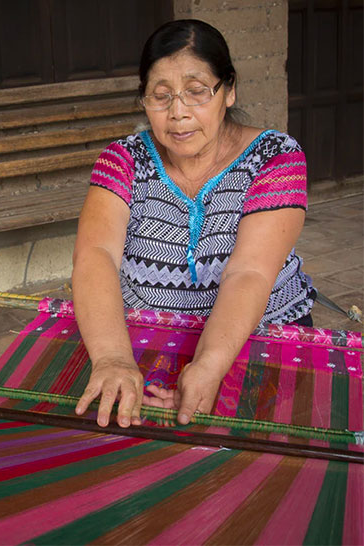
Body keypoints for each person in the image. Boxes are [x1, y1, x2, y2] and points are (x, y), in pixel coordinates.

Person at [72, 19, 312, 429]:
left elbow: (249, 271)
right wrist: (113, 358)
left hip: (258, 341)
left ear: (229, 90)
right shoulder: (124, 160)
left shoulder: (275, 158)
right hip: (142, 344)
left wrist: (210, 363)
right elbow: (96, 254)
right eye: (160, 96)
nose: (178, 112)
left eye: (197, 92)